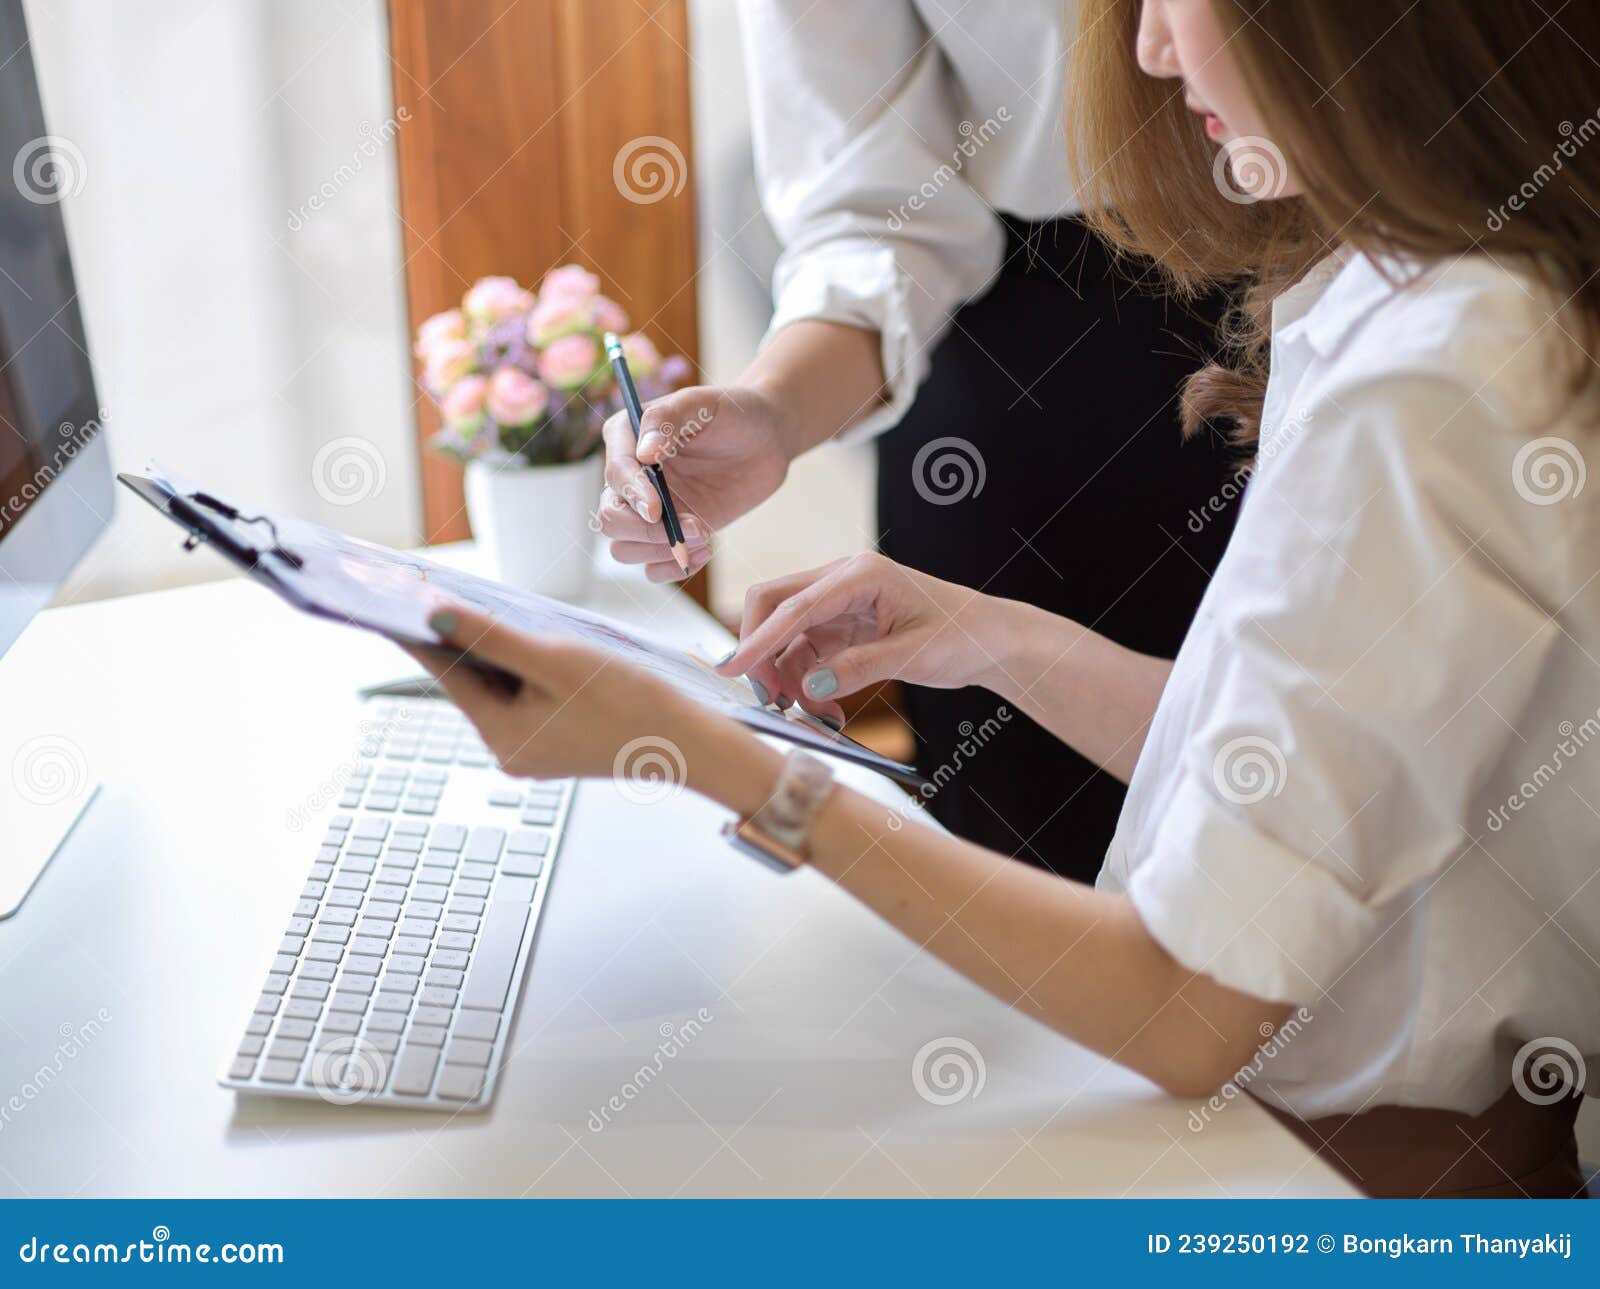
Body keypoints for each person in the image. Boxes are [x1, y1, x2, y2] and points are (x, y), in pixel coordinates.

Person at [413, 0, 1600, 1198]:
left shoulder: (1419, 384)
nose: (1140, 50)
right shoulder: (1430, 292)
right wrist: (989, 635)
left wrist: (726, 766)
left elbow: (1189, 1009)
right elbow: (1303, 766)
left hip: (1345, 1174)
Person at [595, 0, 1238, 881]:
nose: (1148, 48)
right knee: (1023, 865)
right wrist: (773, 411)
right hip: (1020, 368)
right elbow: (875, 217)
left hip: (1331, 261)